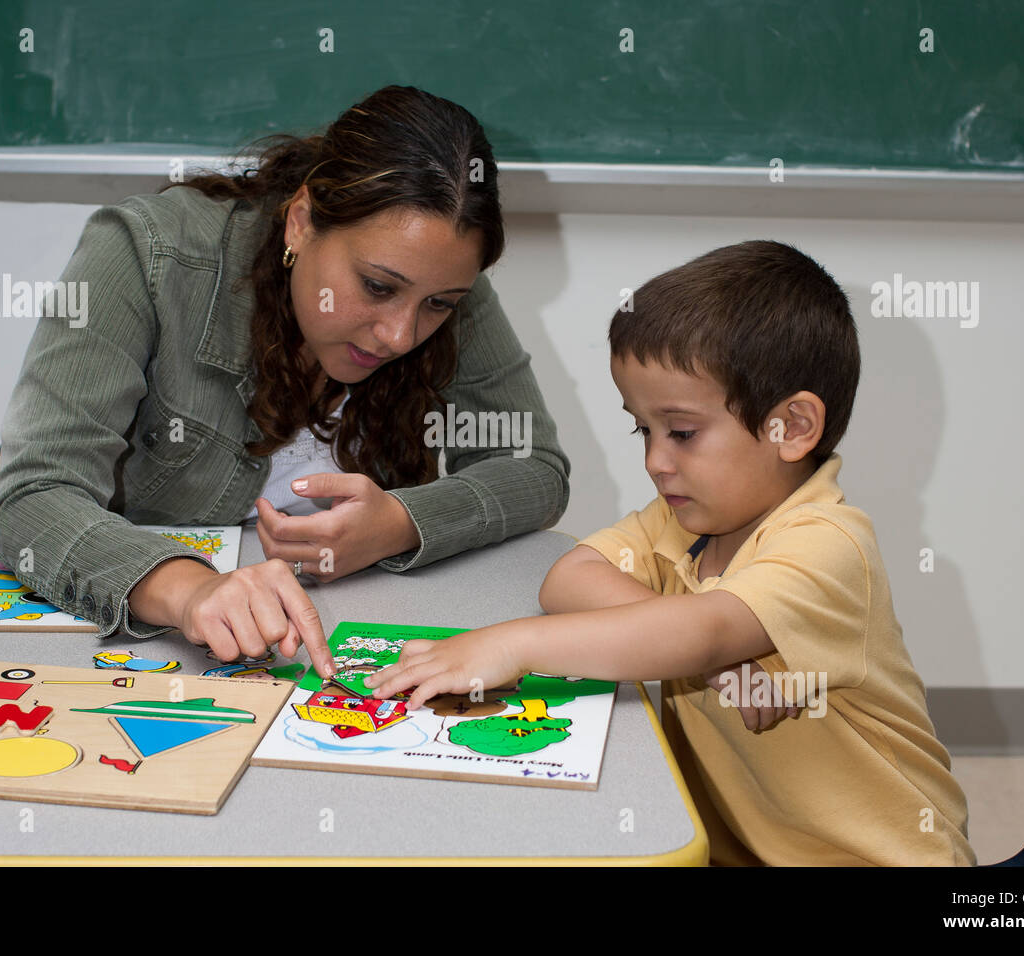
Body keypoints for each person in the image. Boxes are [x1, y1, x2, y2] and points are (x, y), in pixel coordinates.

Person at [368, 240, 975, 865]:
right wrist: (708, 654)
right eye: (644, 429)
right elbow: (568, 577)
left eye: (682, 433)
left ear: (790, 427)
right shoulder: (687, 519)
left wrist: (511, 646)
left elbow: (707, 628)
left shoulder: (828, 544)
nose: (657, 461)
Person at [0, 86, 570, 673]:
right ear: (301, 221)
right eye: (377, 288)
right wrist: (187, 589)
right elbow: (36, 493)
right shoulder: (144, 251)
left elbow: (532, 465)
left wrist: (401, 522)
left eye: (439, 305)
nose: (401, 335)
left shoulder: (438, 278)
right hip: (54, 622)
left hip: (294, 637)